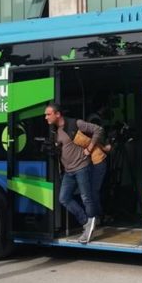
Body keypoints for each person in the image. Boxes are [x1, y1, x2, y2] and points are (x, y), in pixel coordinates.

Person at [44, 103, 103, 244]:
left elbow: (98, 130)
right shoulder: (54, 131)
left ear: (58, 114)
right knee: (63, 198)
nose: (46, 117)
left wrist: (89, 149)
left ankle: (90, 225)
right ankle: (87, 222)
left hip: (82, 167)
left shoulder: (75, 123)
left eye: (48, 114)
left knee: (86, 198)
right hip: (68, 171)